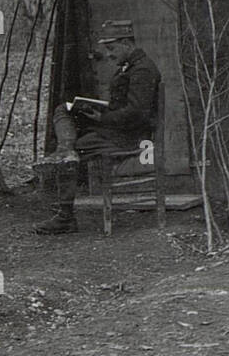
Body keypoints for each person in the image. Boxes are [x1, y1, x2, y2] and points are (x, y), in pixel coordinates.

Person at [34, 19, 160, 235]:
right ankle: (66, 150)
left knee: (74, 150)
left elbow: (137, 113)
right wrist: (99, 110)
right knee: (64, 109)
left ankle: (65, 216)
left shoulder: (143, 71)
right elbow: (123, 107)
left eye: (111, 49)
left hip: (130, 137)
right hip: (117, 130)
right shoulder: (130, 67)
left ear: (127, 44)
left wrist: (101, 118)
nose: (109, 55)